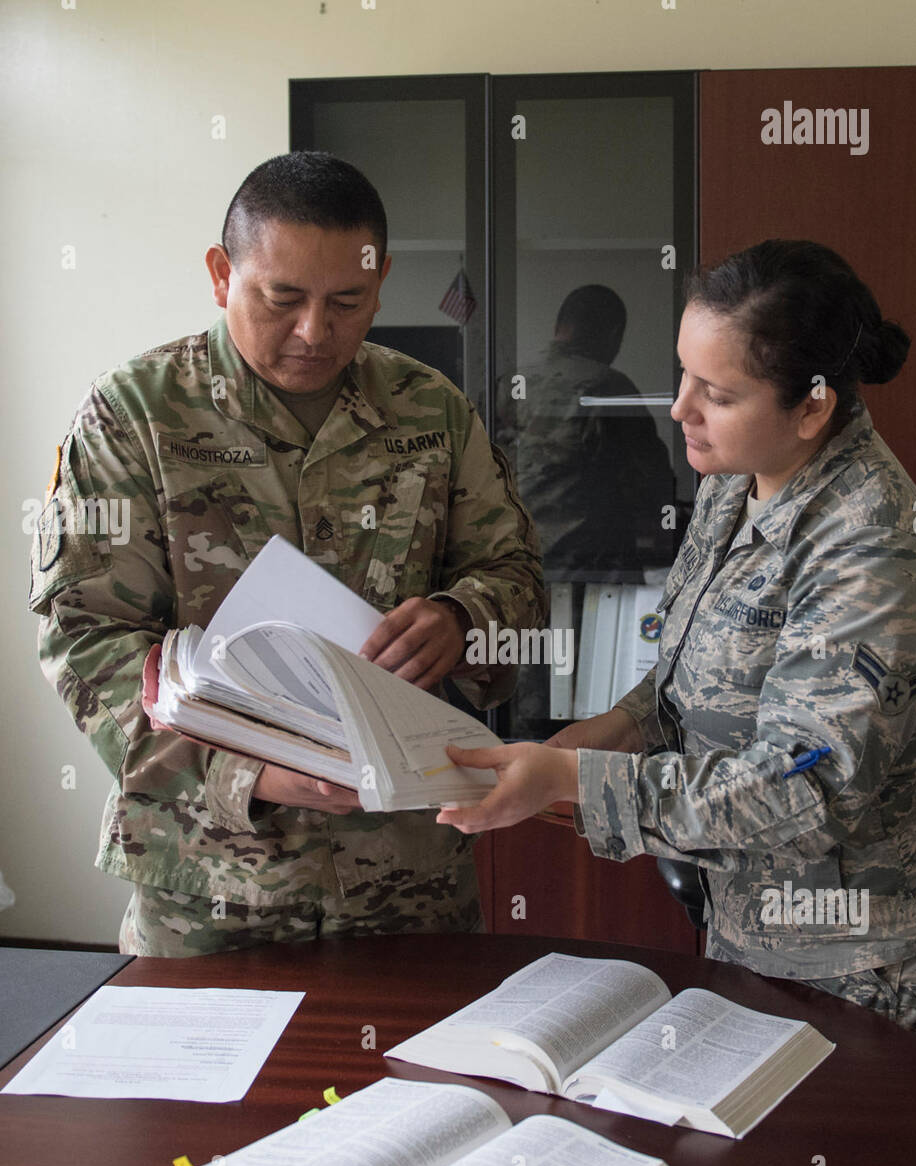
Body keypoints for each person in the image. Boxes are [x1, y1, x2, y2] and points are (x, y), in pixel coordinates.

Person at [438, 239, 916, 1097]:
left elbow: (804, 789)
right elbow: (692, 670)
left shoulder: (874, 551)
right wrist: (615, 730)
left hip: (880, 958)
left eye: (717, 393)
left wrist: (574, 780)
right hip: (756, 924)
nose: (680, 411)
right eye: (682, 376)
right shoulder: (737, 478)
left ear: (812, 406)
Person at [30, 151, 545, 956]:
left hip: (408, 882)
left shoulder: (430, 409)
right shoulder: (136, 414)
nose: (314, 331)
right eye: (283, 299)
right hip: (212, 891)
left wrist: (461, 617)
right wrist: (244, 773)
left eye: (347, 302)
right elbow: (86, 640)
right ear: (220, 273)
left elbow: (515, 582)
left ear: (381, 283)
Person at [495, 284, 675, 582]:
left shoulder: (508, 383)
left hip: (513, 567)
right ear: (614, 335)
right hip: (590, 571)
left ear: (557, 327)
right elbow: (653, 483)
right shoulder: (608, 387)